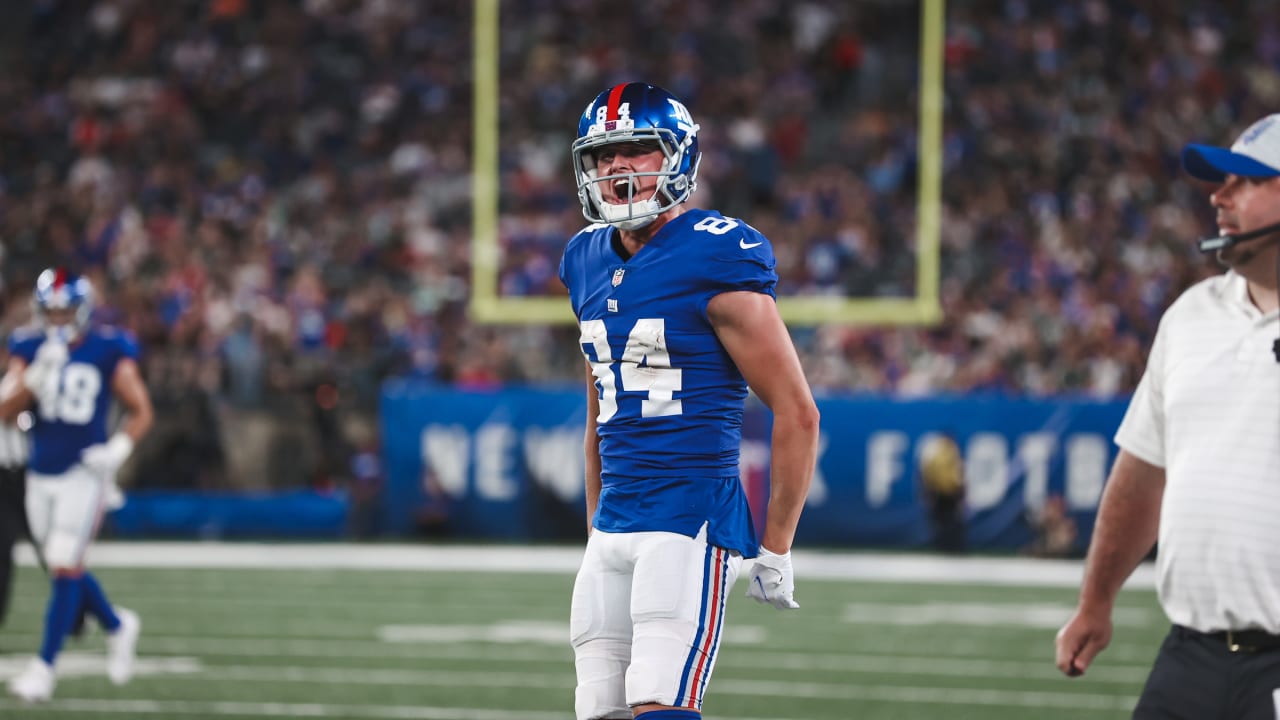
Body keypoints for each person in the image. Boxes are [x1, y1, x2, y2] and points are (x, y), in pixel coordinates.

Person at [559, 82, 821, 720]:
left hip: (688, 520)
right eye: (603, 155)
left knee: (660, 703)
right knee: (600, 709)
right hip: (615, 523)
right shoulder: (583, 258)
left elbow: (798, 412)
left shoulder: (714, 252)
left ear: (677, 157)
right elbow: (600, 408)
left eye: (636, 150)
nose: (616, 167)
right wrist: (597, 527)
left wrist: (777, 546)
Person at [1055, 115, 1280, 718]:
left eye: (1245, 183)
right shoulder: (1191, 316)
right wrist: (1095, 601)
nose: (1219, 197)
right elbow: (1141, 475)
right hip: (1192, 655)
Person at [0, 268, 153, 703]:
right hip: (38, 472)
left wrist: (118, 449)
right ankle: (117, 625)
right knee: (60, 560)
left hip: (84, 472)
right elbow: (5, 411)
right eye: (51, 311)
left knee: (64, 561)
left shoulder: (107, 348)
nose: (59, 319)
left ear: (83, 311)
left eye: (67, 310)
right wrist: (33, 376)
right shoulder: (27, 347)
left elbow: (141, 409)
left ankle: (44, 669)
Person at [0, 372, 29, 631]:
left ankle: (80, 610)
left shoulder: (17, 379)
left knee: (55, 550)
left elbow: (18, 416)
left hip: (19, 473)